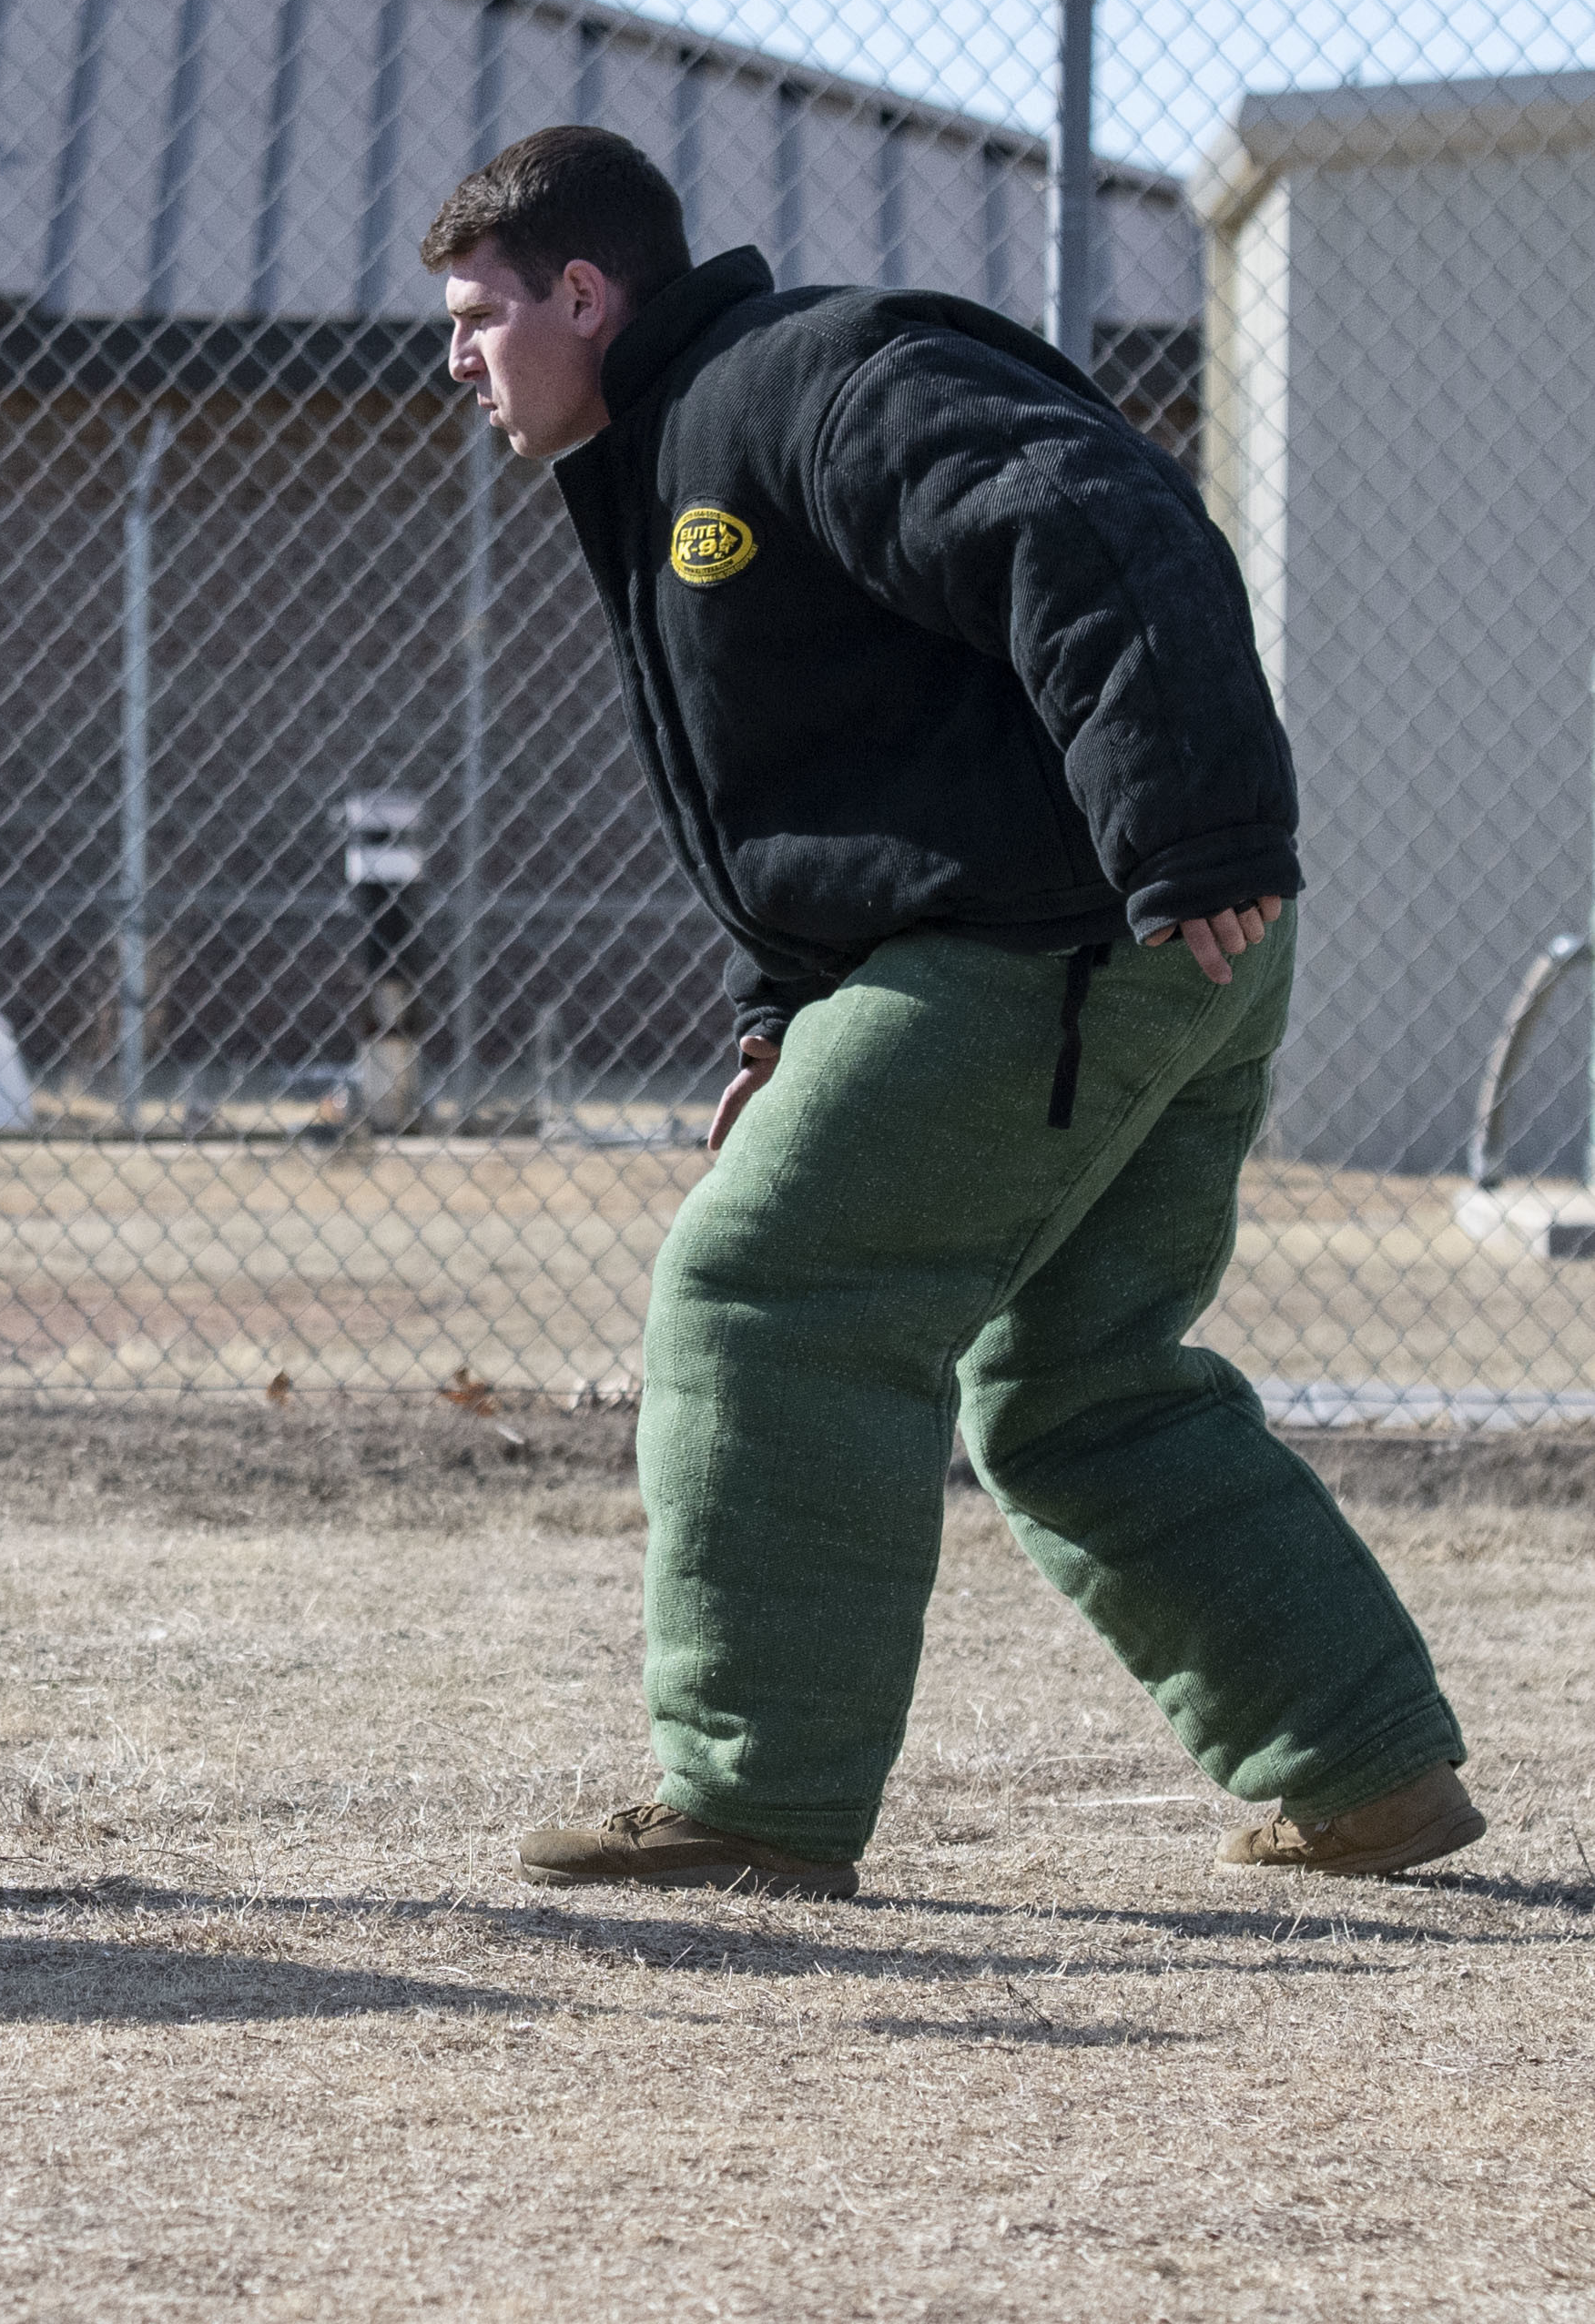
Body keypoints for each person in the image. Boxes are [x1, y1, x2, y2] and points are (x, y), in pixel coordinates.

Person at [432, 123, 1475, 1900]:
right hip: (1144, 942)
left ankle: (752, 1797)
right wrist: (782, 1016)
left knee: (761, 1286)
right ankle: (1361, 1765)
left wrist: (1193, 827)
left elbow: (1090, 515)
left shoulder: (798, 386)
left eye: (477, 318)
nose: (456, 360)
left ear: (584, 294)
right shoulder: (671, 465)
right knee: (1076, 1378)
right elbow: (829, 787)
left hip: (1085, 936)